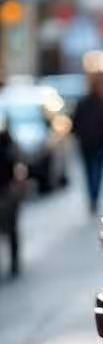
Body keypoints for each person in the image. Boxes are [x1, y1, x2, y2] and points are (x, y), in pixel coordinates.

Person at [72, 72, 103, 213]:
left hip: (91, 144)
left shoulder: (87, 102)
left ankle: (93, 196)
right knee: (96, 171)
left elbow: (75, 123)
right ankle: (94, 196)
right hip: (96, 144)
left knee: (91, 171)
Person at [0, 112, 23, 277]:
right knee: (11, 226)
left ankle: (15, 261)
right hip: (7, 187)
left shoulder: (5, 137)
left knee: (11, 226)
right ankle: (14, 260)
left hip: (6, 187)